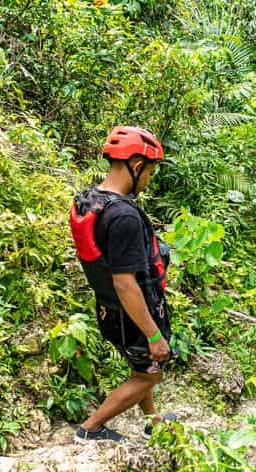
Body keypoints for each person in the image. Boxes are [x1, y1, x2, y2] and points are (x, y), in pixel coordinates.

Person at [68, 126, 176, 441]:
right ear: (137, 165)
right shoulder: (124, 217)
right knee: (148, 376)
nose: (148, 180)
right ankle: (91, 427)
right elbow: (126, 284)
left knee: (142, 367)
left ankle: (154, 420)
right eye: (149, 173)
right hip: (133, 314)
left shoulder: (90, 201)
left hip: (109, 310)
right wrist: (153, 334)